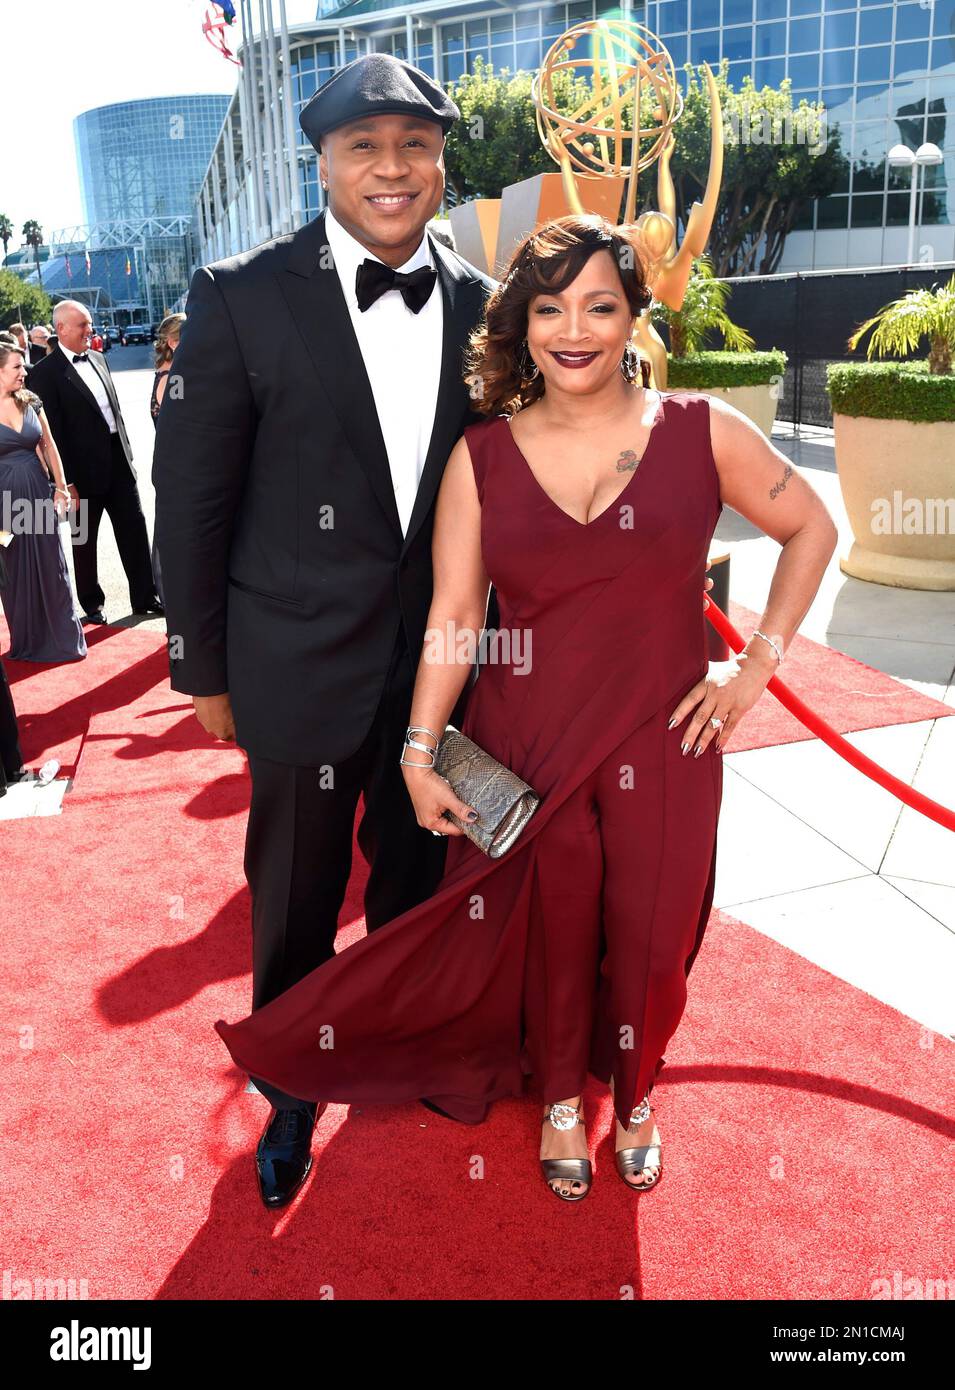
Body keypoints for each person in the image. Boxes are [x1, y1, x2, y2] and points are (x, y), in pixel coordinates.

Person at [215, 213, 838, 1204]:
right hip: (525, 748)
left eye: (600, 304)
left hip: (664, 738)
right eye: (549, 308)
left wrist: (753, 670)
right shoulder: (483, 455)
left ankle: (632, 1096)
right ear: (521, 325)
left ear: (635, 316)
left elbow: (813, 524)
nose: (574, 329)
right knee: (544, 931)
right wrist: (419, 753)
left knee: (650, 932)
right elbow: (456, 616)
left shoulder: (704, 431)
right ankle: (557, 1098)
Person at [153, 53, 498, 1210]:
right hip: (292, 666)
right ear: (323, 161)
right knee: (295, 892)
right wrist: (198, 663)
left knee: (415, 872)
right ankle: (293, 1084)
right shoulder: (241, 292)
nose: (391, 170)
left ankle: (395, 1041)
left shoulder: (481, 301)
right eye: (364, 147)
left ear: (441, 158)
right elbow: (193, 496)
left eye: (413, 145)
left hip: (436, 676)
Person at [27, 300, 163, 625]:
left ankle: (145, 597)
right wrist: (66, 482)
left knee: (134, 531)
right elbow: (52, 433)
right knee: (83, 541)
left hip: (119, 465)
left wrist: (128, 458)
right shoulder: (45, 373)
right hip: (80, 475)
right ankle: (92, 604)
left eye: (89, 323)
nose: (91, 330)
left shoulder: (100, 359)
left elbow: (113, 415)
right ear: (61, 329)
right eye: (83, 325)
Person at [0, 341, 86, 663]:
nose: (25, 371)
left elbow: (49, 446)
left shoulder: (32, 401)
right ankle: (28, 640)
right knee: (15, 570)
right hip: (4, 505)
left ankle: (63, 638)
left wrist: (61, 487)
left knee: (52, 563)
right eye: (17, 367)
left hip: (38, 494)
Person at [148, 312, 185, 608]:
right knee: (176, 537)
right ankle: (176, 604)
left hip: (177, 467)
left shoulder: (171, 372)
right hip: (178, 470)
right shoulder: (170, 379)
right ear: (173, 342)